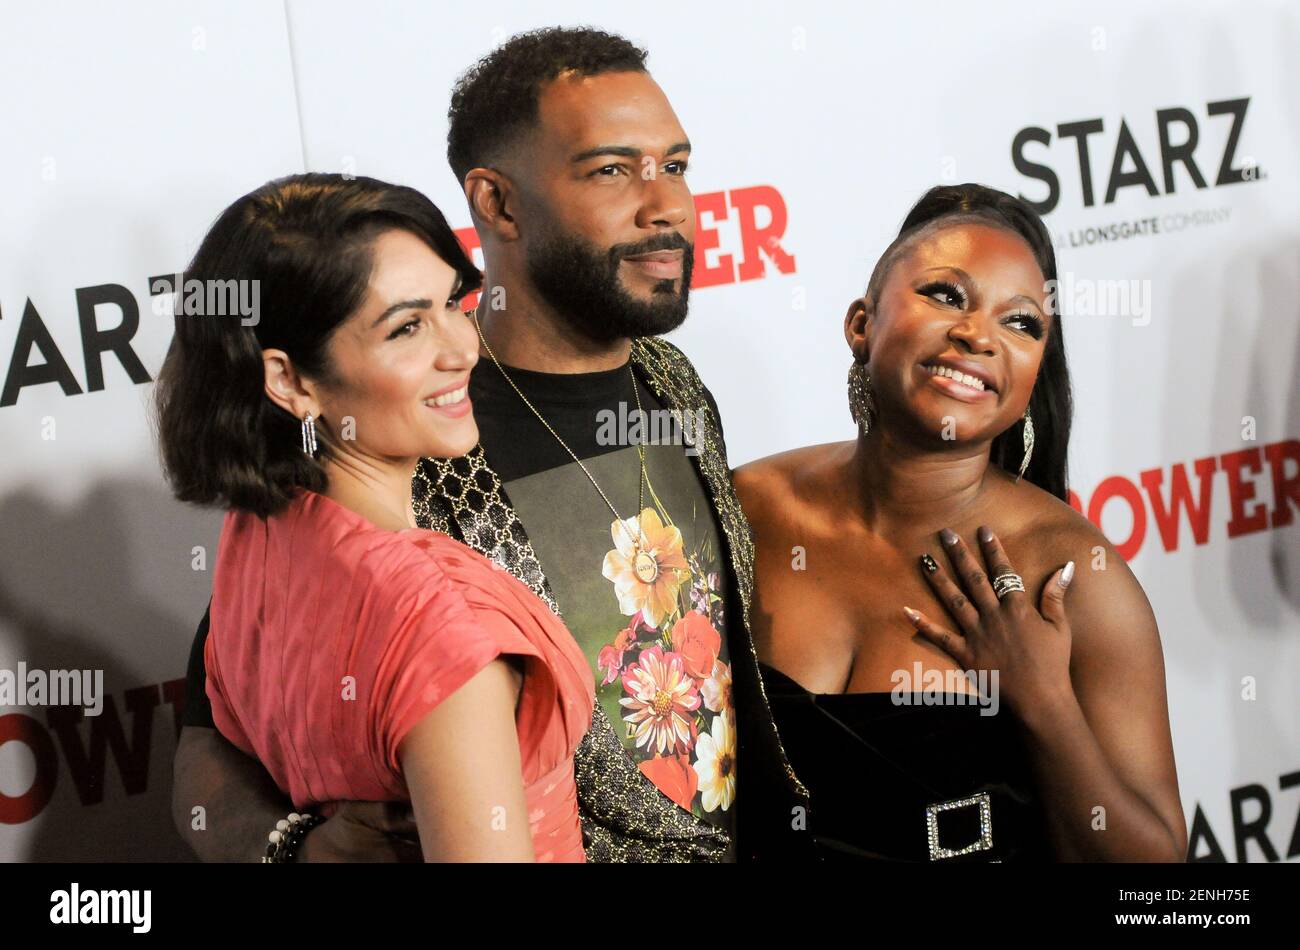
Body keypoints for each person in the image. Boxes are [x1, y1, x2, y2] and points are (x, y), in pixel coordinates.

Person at [171, 27, 811, 863]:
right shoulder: (403, 429)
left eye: (676, 164)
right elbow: (209, 737)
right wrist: (294, 847)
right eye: (613, 170)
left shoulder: (672, 378)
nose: (667, 206)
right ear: (499, 203)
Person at [733, 183, 1188, 861]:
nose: (977, 334)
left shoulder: (1071, 576)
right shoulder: (745, 504)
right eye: (946, 295)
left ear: (1036, 370)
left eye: (1022, 322)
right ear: (862, 321)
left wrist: (1043, 700)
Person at [155, 172, 594, 862]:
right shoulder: (441, 627)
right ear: (291, 381)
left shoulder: (257, 536)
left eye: (455, 302)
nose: (461, 349)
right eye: (407, 327)